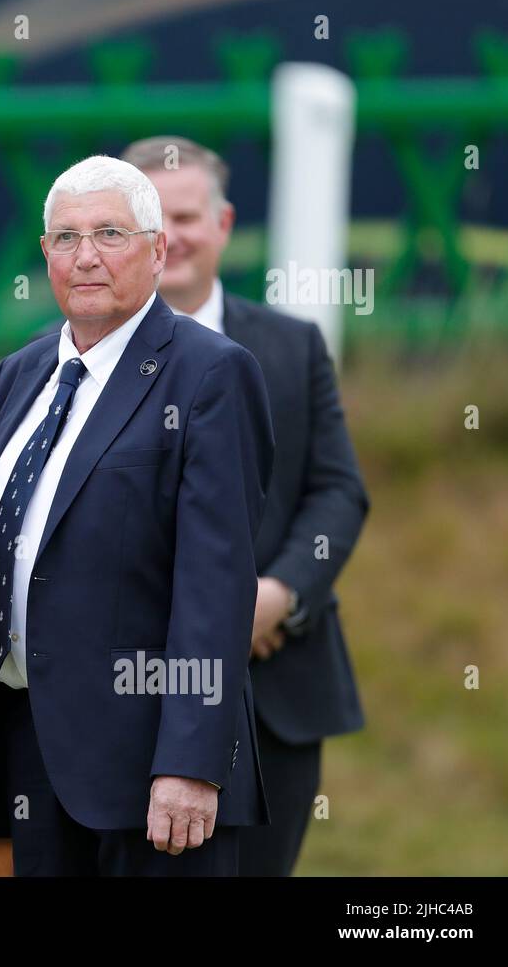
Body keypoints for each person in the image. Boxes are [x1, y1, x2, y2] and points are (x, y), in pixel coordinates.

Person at [0, 155, 274, 876]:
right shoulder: (22, 371)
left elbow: (215, 588)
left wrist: (190, 764)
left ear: (158, 250)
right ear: (45, 255)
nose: (86, 256)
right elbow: (19, 540)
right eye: (66, 239)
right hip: (24, 751)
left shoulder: (211, 374)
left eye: (110, 234)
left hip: (147, 770)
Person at [122, 135, 367, 876]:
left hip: (276, 692)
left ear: (224, 224)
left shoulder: (293, 349)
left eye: (189, 214)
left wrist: (275, 596)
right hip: (132, 698)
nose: (174, 234)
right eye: (152, 216)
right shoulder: (78, 359)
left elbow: (338, 490)